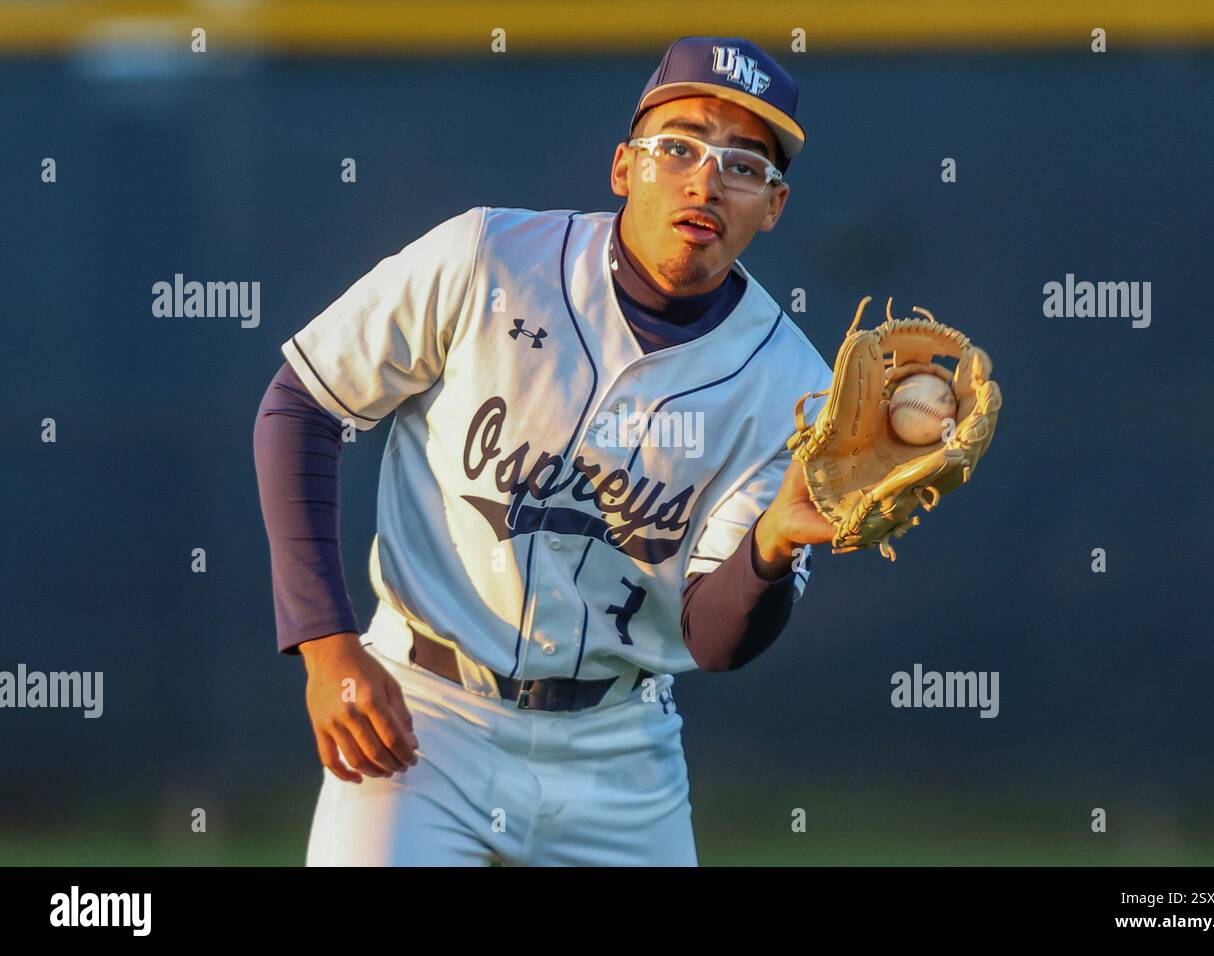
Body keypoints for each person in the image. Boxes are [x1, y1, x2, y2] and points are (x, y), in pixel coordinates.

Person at [254, 35, 835, 866]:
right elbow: (301, 405)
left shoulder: (792, 389)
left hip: (620, 752)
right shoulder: (486, 257)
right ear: (624, 166)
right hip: (424, 716)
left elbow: (714, 638)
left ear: (773, 205)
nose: (706, 179)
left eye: (744, 164)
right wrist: (327, 646)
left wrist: (773, 544)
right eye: (678, 147)